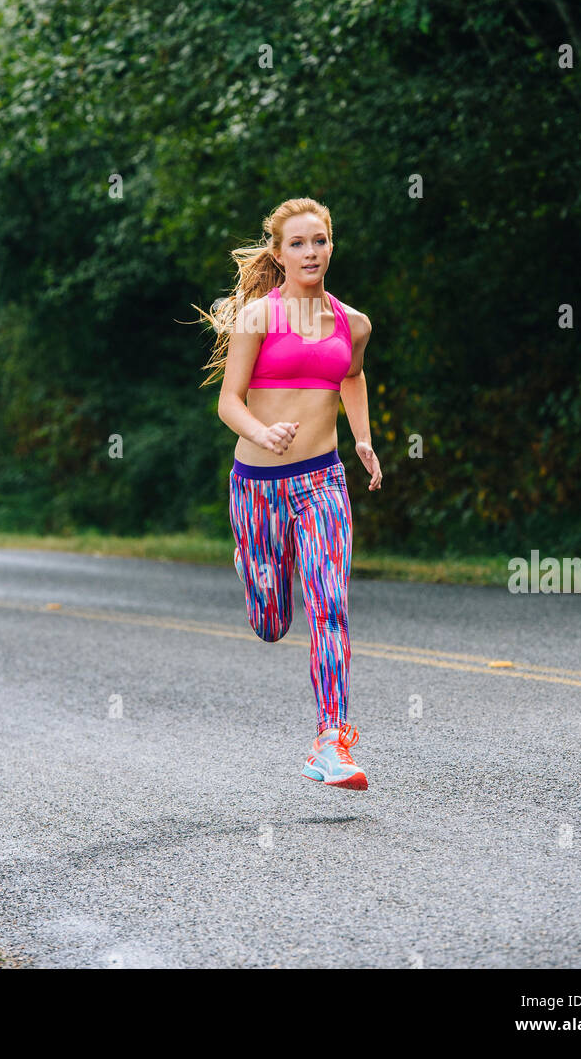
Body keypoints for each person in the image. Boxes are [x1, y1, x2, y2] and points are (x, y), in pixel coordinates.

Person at [197, 196, 382, 789]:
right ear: (278, 254)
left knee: (331, 605)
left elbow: (351, 377)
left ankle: (331, 741)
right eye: (298, 243)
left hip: (323, 480)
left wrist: (363, 441)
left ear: (332, 245)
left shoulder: (352, 323)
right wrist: (260, 430)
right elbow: (229, 400)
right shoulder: (257, 318)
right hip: (257, 485)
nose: (311, 252)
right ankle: (252, 564)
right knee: (273, 624)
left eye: (320, 241)